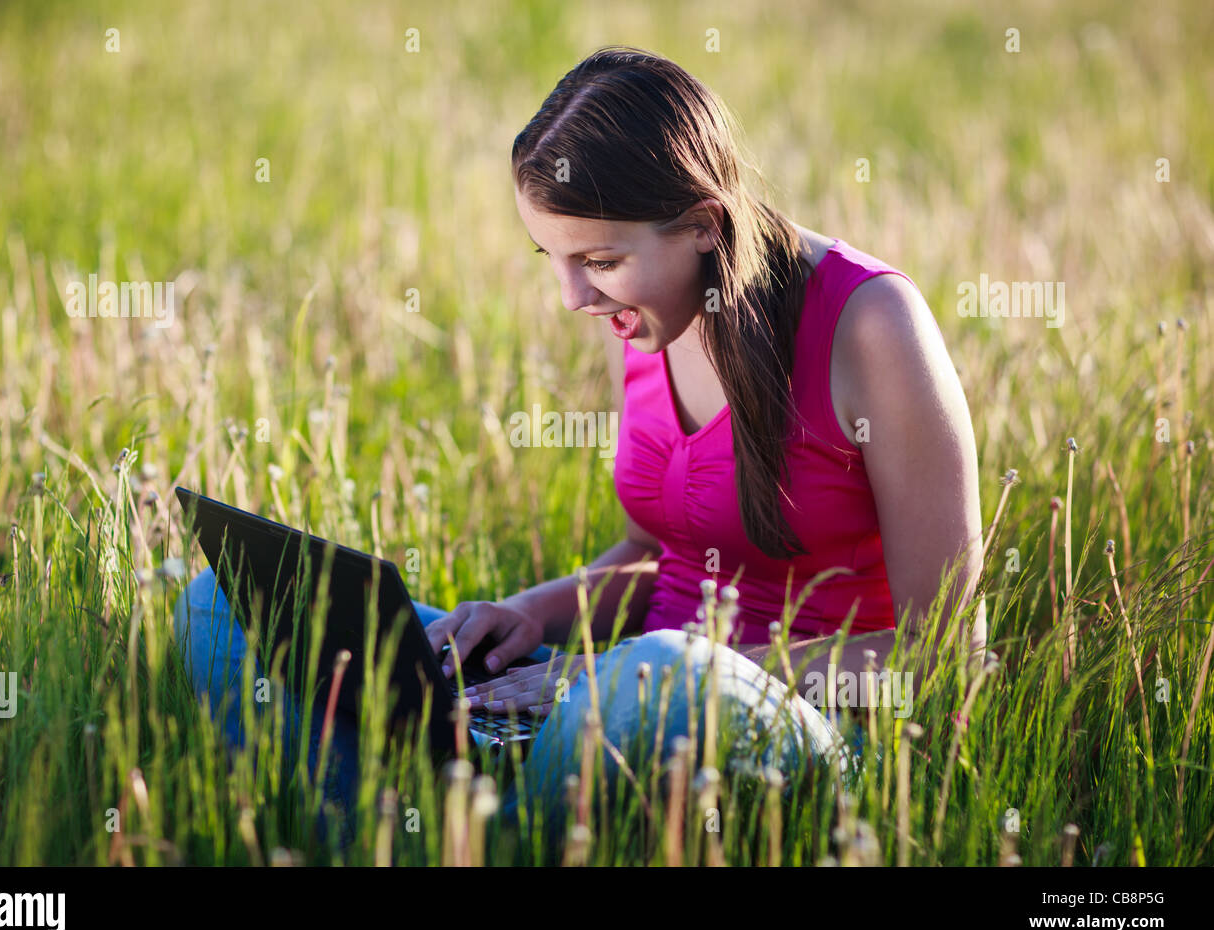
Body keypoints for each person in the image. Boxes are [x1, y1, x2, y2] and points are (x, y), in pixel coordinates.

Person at [174, 44, 989, 842]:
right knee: (221, 602)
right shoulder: (642, 308)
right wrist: (529, 616)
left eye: (597, 260)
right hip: (620, 693)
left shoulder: (874, 325)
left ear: (705, 225)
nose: (573, 297)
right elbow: (651, 553)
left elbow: (942, 657)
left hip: (818, 729)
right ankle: (384, 833)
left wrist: (623, 675)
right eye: (554, 259)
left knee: (661, 677)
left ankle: (492, 830)